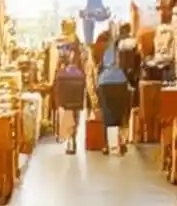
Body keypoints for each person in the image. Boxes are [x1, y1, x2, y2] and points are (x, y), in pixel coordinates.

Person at [90, 27, 134, 155]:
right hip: (120, 81)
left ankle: (106, 145)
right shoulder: (123, 47)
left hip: (104, 83)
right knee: (121, 113)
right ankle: (121, 142)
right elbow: (128, 67)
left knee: (106, 114)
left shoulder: (100, 49)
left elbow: (97, 68)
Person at [49, 18, 86, 154]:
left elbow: (54, 64)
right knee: (75, 111)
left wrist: (51, 80)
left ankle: (68, 138)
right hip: (77, 81)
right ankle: (72, 138)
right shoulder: (78, 43)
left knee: (65, 111)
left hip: (62, 80)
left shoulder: (58, 43)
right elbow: (85, 62)